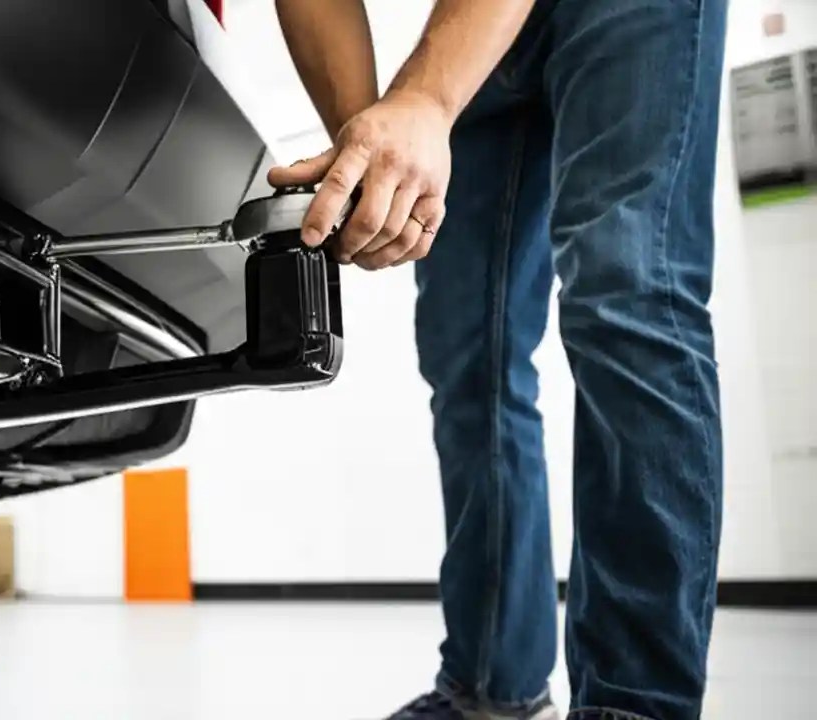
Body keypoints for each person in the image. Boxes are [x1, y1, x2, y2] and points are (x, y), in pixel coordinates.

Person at [268, 1, 726, 719]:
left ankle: (635, 703)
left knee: (626, 293)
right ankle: (492, 688)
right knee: (465, 348)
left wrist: (423, 96)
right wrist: (375, 147)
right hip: (475, 26)